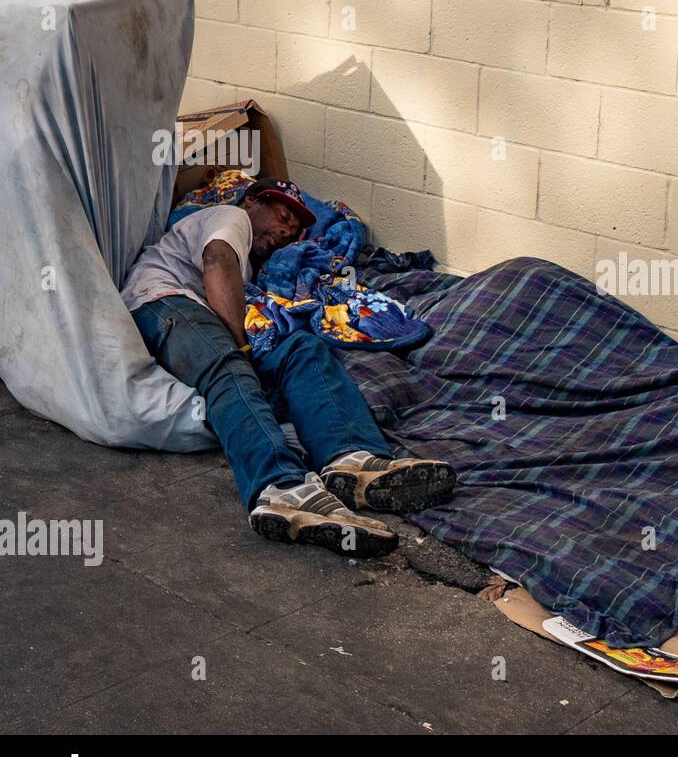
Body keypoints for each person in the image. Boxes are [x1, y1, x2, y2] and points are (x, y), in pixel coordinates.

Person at [121, 176, 455, 557]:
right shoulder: (230, 218)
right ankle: (281, 486)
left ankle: (352, 458)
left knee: (301, 348)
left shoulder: (246, 263)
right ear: (251, 202)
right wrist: (243, 347)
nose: (284, 231)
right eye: (281, 216)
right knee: (230, 370)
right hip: (163, 303)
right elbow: (215, 261)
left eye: (293, 231)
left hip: (199, 316)